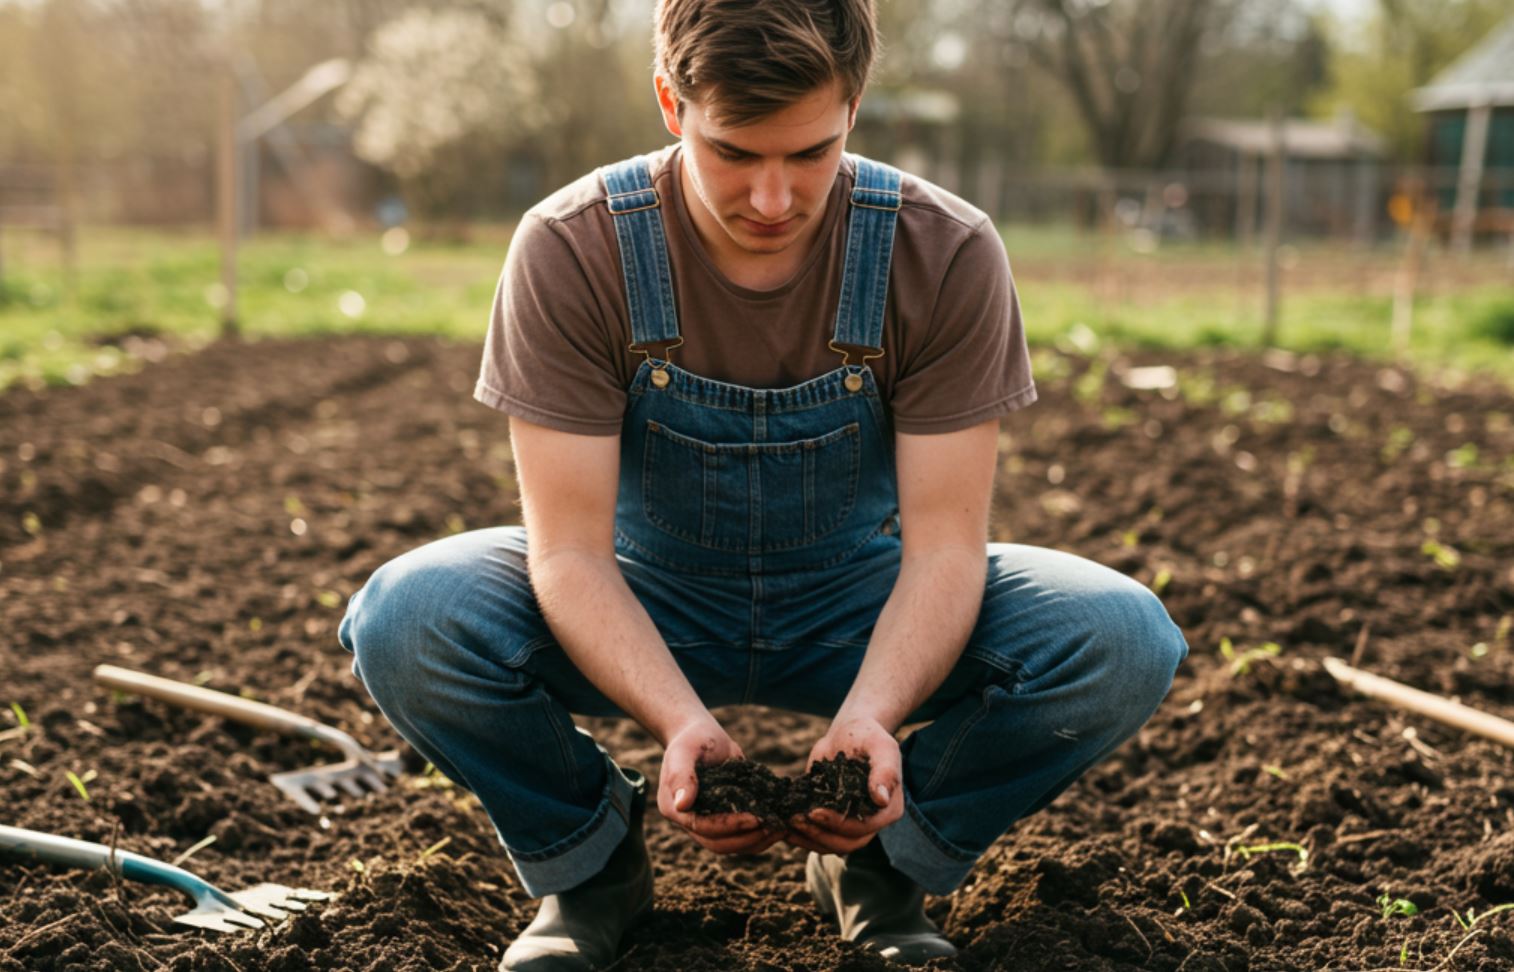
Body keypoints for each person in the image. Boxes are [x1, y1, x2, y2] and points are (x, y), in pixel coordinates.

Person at [338, 1, 1189, 968]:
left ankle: (879, 864)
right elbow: (567, 551)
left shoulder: (943, 252)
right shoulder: (572, 248)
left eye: (812, 153)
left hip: (859, 600)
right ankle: (591, 867)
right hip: (642, 594)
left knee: (1120, 636)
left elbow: (947, 546)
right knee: (410, 617)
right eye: (735, 154)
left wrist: (873, 719)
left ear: (855, 107)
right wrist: (679, 721)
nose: (776, 199)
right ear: (671, 101)